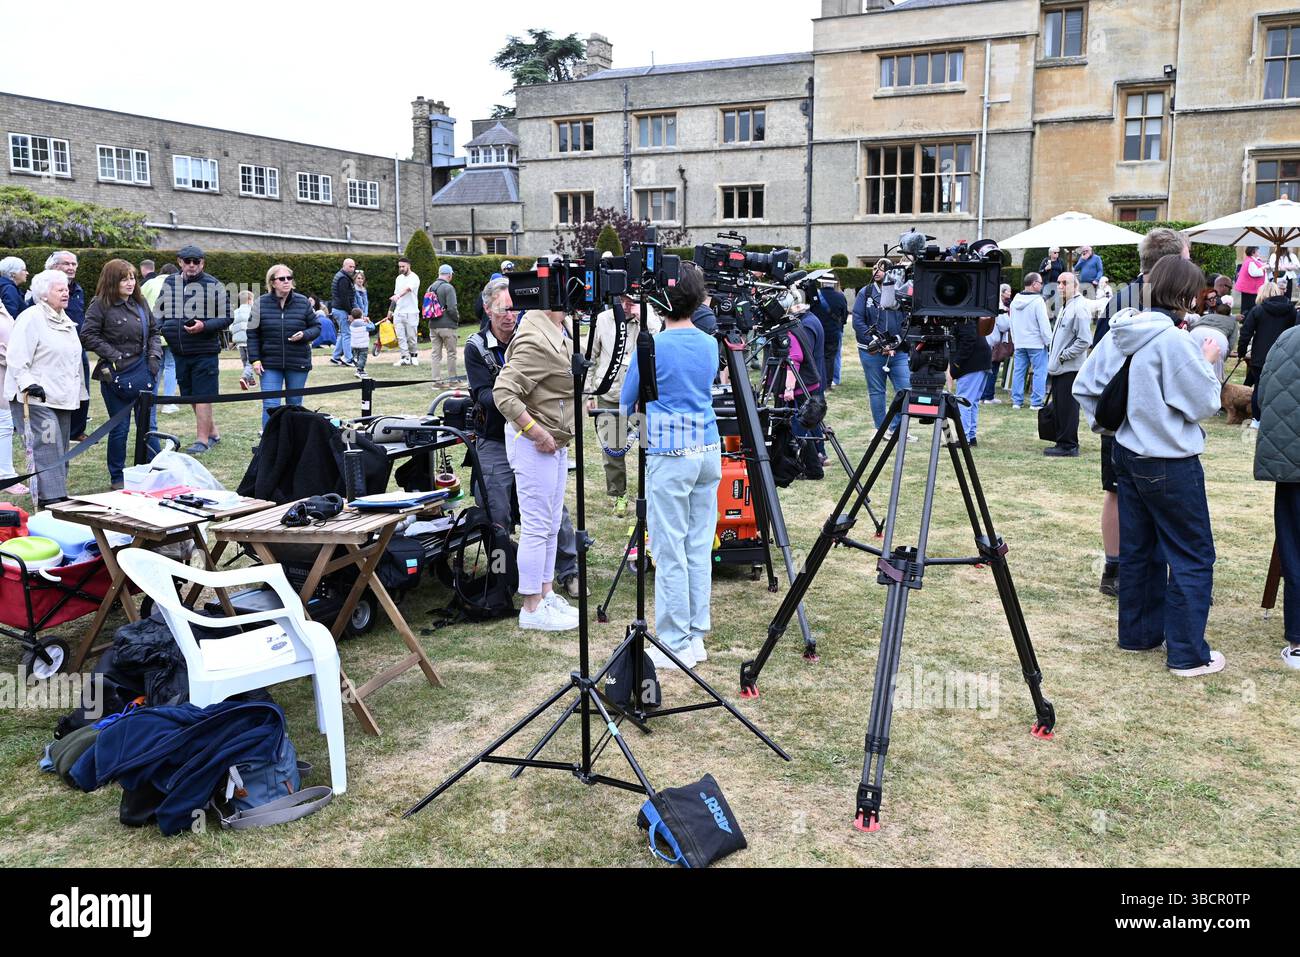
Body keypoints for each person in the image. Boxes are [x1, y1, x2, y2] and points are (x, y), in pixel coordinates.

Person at [1074, 256, 1225, 676]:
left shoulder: (1122, 333)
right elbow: (1206, 403)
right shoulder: (1173, 342)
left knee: (1139, 550)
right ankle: (1187, 654)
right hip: (1167, 461)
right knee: (1193, 555)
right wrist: (1209, 360)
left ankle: (1138, 635)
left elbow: (1084, 386)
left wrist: (1115, 424)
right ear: (1184, 294)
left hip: (1127, 455)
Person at [620, 262, 721, 670]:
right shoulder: (709, 342)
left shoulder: (653, 345)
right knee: (697, 547)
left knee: (670, 550)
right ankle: (695, 635)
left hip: (670, 453)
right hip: (707, 449)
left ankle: (677, 642)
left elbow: (627, 400)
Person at [465, 278, 581, 597]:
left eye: (514, 309)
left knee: (556, 513)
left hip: (532, 430)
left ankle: (568, 570)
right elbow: (485, 395)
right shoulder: (477, 347)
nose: (509, 315)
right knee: (494, 504)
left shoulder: (529, 334)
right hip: (495, 437)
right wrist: (525, 402)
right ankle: (502, 573)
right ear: (488, 310)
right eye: (503, 309)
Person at [491, 283, 581, 633]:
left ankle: (544, 595)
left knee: (551, 525)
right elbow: (504, 393)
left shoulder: (557, 329)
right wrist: (536, 432)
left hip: (556, 443)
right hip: (535, 444)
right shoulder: (535, 338)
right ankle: (530, 606)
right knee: (535, 526)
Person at [3, 269, 87, 507]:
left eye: (67, 288)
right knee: (47, 444)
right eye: (59, 289)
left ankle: (58, 494)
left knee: (60, 447)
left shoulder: (66, 320)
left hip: (61, 395)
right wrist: (27, 383)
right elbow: (17, 356)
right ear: (43, 294)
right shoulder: (31, 317)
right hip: (34, 397)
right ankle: (52, 500)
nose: (66, 292)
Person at [80, 259, 163, 488]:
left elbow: (155, 332)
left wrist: (154, 358)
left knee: (147, 425)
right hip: (116, 377)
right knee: (120, 428)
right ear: (112, 280)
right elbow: (88, 335)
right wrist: (116, 356)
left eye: (132, 278)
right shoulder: (100, 304)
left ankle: (153, 469)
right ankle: (117, 476)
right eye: (124, 278)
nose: (130, 283)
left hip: (145, 372)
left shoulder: (140, 303)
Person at [587, 293, 661, 515]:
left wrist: (645, 317)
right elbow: (590, 357)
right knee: (613, 448)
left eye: (632, 300)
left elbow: (662, 343)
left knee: (651, 447)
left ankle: (652, 493)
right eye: (623, 300)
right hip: (610, 394)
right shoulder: (603, 320)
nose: (627, 305)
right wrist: (590, 393)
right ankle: (619, 495)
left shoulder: (650, 320)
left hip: (642, 397)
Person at [1253, 320, 1300, 668]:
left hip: (1292, 465)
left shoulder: (1287, 339)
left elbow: (1260, 401)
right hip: (1291, 461)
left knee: (1295, 546)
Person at [154, 246, 230, 454]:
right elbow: (159, 310)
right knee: (189, 395)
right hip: (179, 350)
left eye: (196, 261)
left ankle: (202, 440)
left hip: (204, 350)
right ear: (180, 262)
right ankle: (212, 432)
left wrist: (204, 326)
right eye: (188, 261)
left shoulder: (214, 284)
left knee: (203, 395)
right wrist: (161, 326)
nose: (192, 265)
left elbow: (227, 316)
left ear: (202, 263)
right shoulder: (170, 282)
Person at [249, 264, 320, 429]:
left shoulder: (303, 302)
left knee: (294, 405)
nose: (286, 281)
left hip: (297, 361)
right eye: (282, 279)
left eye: (289, 278)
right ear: (272, 282)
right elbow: (252, 333)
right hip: (270, 363)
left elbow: (316, 327)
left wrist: (305, 335)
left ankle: (293, 443)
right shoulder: (260, 303)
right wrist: (255, 359)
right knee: (270, 405)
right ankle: (268, 445)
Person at [853, 259, 912, 438]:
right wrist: (879, 343)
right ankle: (882, 429)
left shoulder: (900, 292)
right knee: (877, 391)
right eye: (873, 268)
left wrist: (896, 343)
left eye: (881, 268)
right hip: (871, 351)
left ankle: (898, 429)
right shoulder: (866, 292)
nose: (876, 271)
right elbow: (857, 321)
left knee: (905, 390)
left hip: (898, 351)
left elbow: (907, 321)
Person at [1043, 272, 1093, 456]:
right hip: (1060, 368)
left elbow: (1084, 340)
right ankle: (1062, 442)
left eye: (1065, 283)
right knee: (1061, 407)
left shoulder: (1079, 308)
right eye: (1059, 283)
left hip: (1069, 369)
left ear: (1076, 285)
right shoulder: (1068, 306)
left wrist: (1063, 356)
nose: (1061, 286)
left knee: (1068, 408)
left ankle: (1069, 445)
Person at [43, 252, 89, 441]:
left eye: (74, 264)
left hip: (77, 345)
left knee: (82, 388)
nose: (71, 267)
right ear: (55, 266)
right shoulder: (44, 287)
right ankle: (57, 431)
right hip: (55, 348)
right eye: (66, 264)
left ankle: (76, 430)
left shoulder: (78, 290)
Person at [1239, 281, 1299, 425]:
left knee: (1259, 387)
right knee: (1283, 389)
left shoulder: (1258, 310)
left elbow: (1246, 333)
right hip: (1285, 355)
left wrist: (1242, 352)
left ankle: (1257, 419)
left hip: (1261, 355)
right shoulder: (1291, 311)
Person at [1008, 273, 1051, 410]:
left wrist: (1015, 340)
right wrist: (1049, 341)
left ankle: (1017, 401)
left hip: (1020, 342)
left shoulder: (1015, 301)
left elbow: (1012, 322)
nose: (1042, 285)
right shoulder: (1038, 301)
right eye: (1040, 282)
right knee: (1040, 372)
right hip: (1036, 343)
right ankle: (1036, 402)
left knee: (1019, 372)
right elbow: (1044, 324)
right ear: (1034, 284)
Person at [141, 263, 180, 413]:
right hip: (170, 331)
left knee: (155, 366)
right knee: (171, 365)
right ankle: (168, 402)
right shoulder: (177, 283)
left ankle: (152, 400)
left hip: (151, 332)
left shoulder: (148, 283)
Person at [949, 312, 991, 447]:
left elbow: (968, 340)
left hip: (972, 362)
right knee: (972, 402)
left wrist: (957, 363)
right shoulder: (969, 315)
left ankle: (964, 438)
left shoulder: (964, 317)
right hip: (981, 360)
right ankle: (970, 437)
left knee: (964, 401)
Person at [0, 301, 26, 494]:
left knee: (5, 424)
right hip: (3, 370)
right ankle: (6, 476)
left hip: (6, 372)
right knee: (5, 424)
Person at [810, 278, 848, 389]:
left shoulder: (815, 295)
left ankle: (815, 381)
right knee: (830, 358)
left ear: (822, 282)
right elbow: (844, 317)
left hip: (817, 331)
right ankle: (828, 383)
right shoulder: (840, 296)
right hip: (833, 331)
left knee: (816, 355)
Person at [427, 264, 459, 383]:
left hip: (433, 325)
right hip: (447, 325)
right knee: (451, 353)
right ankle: (452, 379)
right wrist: (456, 319)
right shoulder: (448, 288)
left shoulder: (430, 287)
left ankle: (436, 380)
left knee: (436, 354)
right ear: (449, 275)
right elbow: (451, 308)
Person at [982, 283, 1013, 404]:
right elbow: (1004, 325)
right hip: (993, 340)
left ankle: (983, 396)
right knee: (992, 368)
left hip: (985, 338)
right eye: (1008, 291)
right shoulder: (999, 306)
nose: (1009, 293)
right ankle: (988, 396)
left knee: (985, 369)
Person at [389, 256, 421, 366]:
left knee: (412, 337)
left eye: (403, 266)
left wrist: (398, 296)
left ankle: (414, 356)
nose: (401, 268)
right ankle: (404, 357)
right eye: (400, 267)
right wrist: (391, 310)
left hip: (411, 312)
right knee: (401, 337)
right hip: (398, 312)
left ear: (409, 266)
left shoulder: (414, 278)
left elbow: (407, 290)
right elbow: (395, 294)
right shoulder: (398, 279)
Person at [329, 258, 357, 366]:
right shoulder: (343, 279)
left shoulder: (341, 276)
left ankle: (335, 357)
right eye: (350, 266)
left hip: (338, 309)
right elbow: (344, 298)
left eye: (353, 267)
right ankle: (348, 359)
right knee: (347, 334)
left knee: (342, 333)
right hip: (341, 310)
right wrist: (350, 313)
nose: (352, 269)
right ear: (344, 266)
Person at [231, 290, 256, 390]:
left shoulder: (235, 312)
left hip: (239, 342)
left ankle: (251, 381)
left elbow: (231, 327)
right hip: (250, 341)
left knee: (245, 362)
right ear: (250, 300)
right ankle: (245, 378)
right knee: (251, 362)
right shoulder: (253, 311)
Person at [1234, 246, 1268, 314]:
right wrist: (1263, 267)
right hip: (1249, 289)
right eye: (1257, 251)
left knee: (1250, 306)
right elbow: (1254, 273)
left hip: (1251, 288)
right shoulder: (1250, 261)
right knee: (1249, 307)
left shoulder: (1253, 260)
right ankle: (1246, 320)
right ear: (1253, 252)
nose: (1259, 252)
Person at [348, 307, 373, 379]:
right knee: (362, 358)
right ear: (361, 315)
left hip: (354, 344)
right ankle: (360, 371)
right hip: (363, 345)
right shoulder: (364, 324)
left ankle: (359, 367)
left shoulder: (352, 324)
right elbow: (372, 327)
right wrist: (369, 321)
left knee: (358, 357)